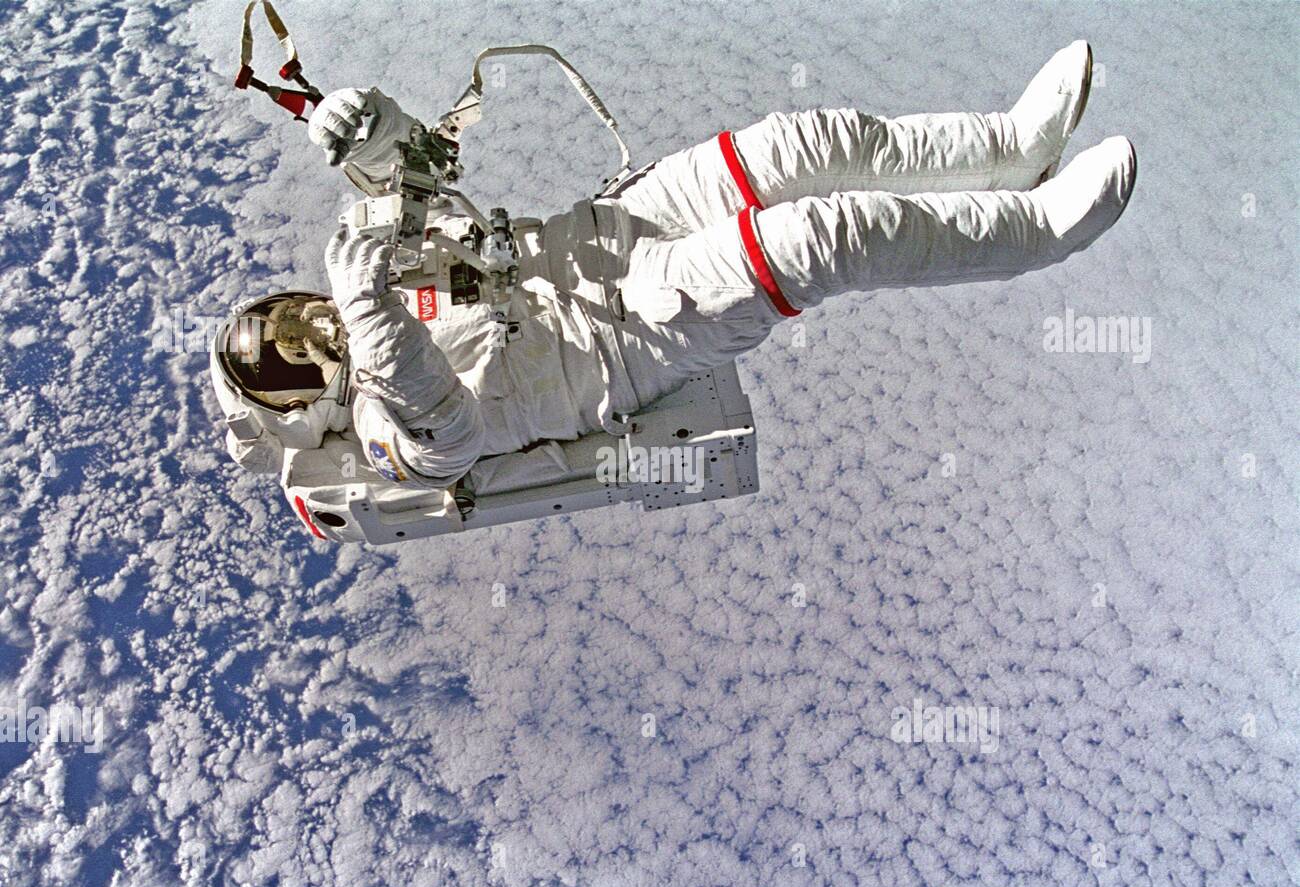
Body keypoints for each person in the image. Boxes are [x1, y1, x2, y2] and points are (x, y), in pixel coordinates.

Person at [218, 40, 1135, 492]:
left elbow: (425, 181)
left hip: (610, 228)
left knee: (809, 142)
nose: (310, 329)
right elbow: (450, 434)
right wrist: (371, 312)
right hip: (631, 331)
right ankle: (1037, 229)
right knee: (825, 236)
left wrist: (369, 131)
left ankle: (1009, 144)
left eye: (289, 315)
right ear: (297, 407)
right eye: (289, 355)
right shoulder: (384, 435)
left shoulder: (370, 278)